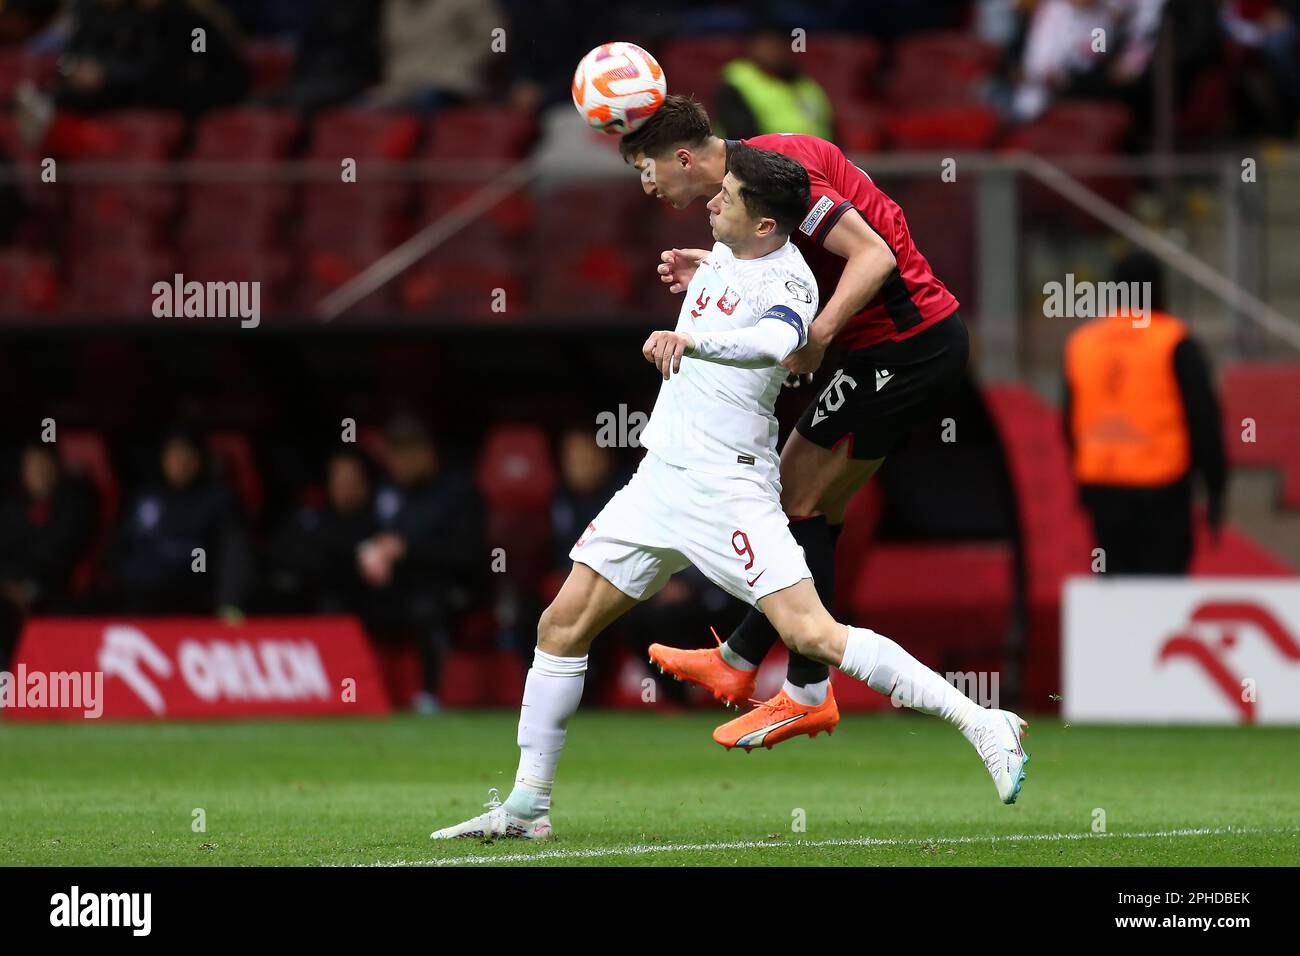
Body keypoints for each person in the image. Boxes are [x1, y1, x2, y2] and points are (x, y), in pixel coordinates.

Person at [430, 146, 1027, 841]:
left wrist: (695, 344)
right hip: (657, 481)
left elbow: (773, 343)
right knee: (559, 626)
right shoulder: (721, 252)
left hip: (728, 488)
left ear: (768, 224)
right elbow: (723, 275)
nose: (713, 200)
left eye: (730, 196)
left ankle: (984, 722)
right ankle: (528, 806)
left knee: (811, 633)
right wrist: (698, 274)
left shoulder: (795, 283)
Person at [618, 95, 970, 750]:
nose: (648, 186)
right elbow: (787, 250)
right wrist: (720, 267)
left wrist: (817, 336)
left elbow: (873, 257)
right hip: (906, 343)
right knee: (812, 506)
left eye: (648, 170)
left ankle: (803, 690)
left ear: (684, 158)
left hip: (905, 340)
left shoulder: (774, 171)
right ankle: (748, 661)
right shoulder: (760, 171)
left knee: (795, 496)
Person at [1063, 251, 1227, 574]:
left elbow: (1069, 421)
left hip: (1102, 488)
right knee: (1160, 597)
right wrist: (1216, 489)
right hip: (1162, 490)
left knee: (1115, 592)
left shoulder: (1082, 343)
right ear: (1158, 288)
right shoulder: (1174, 341)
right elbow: (1204, 421)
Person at [110, 425, 253, 617]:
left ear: (198, 461)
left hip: (195, 594)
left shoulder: (218, 499)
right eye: (173, 457)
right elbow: (124, 545)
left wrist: (228, 602)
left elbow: (225, 555)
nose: (179, 464)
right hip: (142, 597)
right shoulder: (148, 497)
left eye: (186, 457)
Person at [0, 443, 98, 670]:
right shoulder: (11, 509)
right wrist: (7, 585)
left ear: (57, 468)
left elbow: (59, 553)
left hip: (53, 588)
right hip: (8, 589)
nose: (39, 472)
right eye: (33, 466)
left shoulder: (74, 505)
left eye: (44, 465)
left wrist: (26, 586)